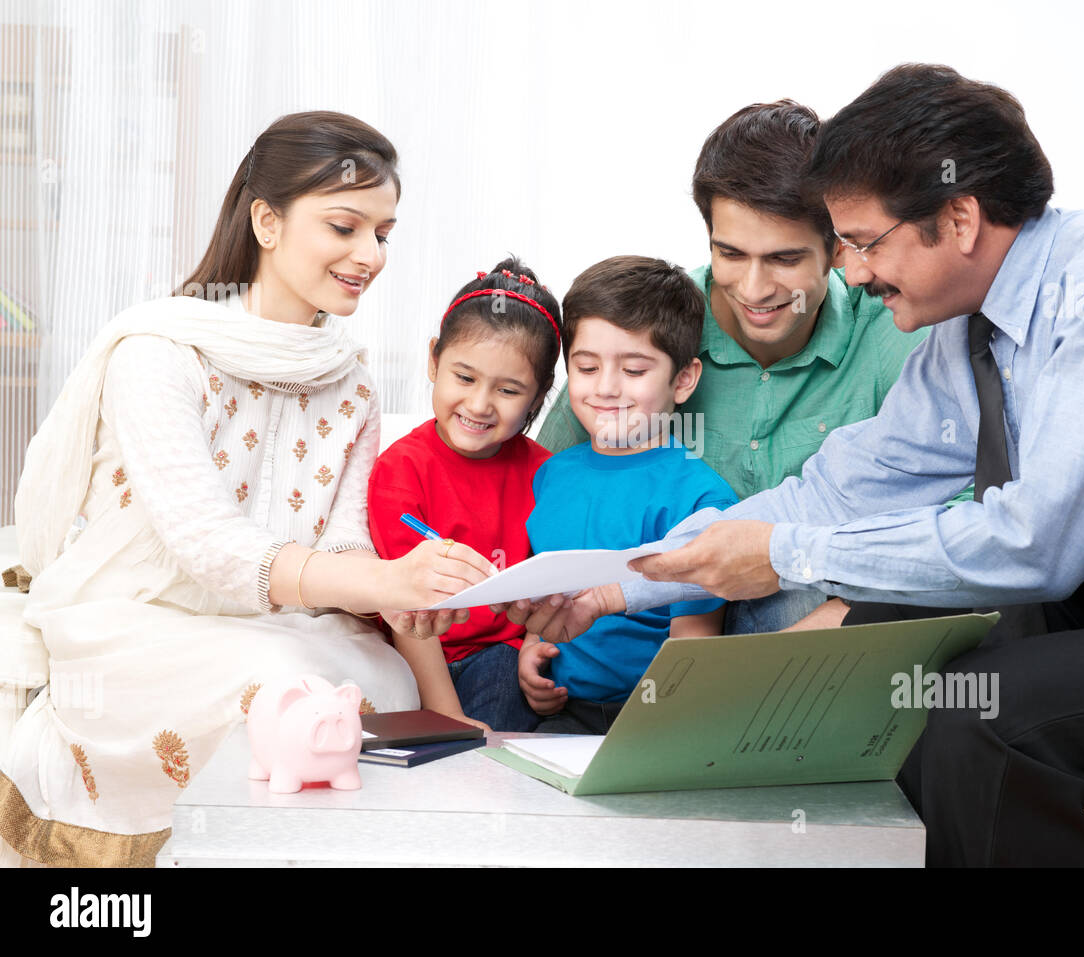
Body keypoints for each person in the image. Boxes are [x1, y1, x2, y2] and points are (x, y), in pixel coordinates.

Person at [505, 65, 1084, 866]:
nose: (850, 273)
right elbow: (833, 491)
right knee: (886, 646)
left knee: (985, 719)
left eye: (861, 242)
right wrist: (617, 583)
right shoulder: (969, 332)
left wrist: (782, 555)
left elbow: (1038, 545)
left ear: (958, 217)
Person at [0, 111, 494, 867]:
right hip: (138, 618)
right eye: (345, 226)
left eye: (383, 233)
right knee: (281, 693)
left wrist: (395, 588)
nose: (371, 254)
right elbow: (210, 547)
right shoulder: (161, 354)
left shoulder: (351, 377)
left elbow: (343, 541)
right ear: (267, 220)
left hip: (282, 621)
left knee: (385, 674)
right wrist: (378, 577)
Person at [535, 100, 943, 635]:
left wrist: (845, 620)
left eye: (784, 259)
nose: (753, 290)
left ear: (838, 250)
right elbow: (542, 483)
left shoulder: (897, 331)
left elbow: (958, 509)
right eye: (731, 254)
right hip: (650, 625)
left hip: (816, 614)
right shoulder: (645, 328)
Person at [518, 256, 737, 734]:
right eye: (587, 367)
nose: (606, 388)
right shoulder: (549, 475)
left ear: (683, 379)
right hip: (565, 712)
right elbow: (541, 593)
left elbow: (693, 643)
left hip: (656, 718)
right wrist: (531, 650)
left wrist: (658, 725)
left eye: (634, 370)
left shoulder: (701, 498)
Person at [367, 259, 557, 732]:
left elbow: (552, 583)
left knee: (504, 675)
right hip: (415, 656)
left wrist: (534, 645)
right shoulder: (400, 470)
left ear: (539, 395)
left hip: (501, 664)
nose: (478, 405)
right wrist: (447, 716)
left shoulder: (547, 473)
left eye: (509, 390)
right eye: (465, 378)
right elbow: (407, 613)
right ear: (434, 360)